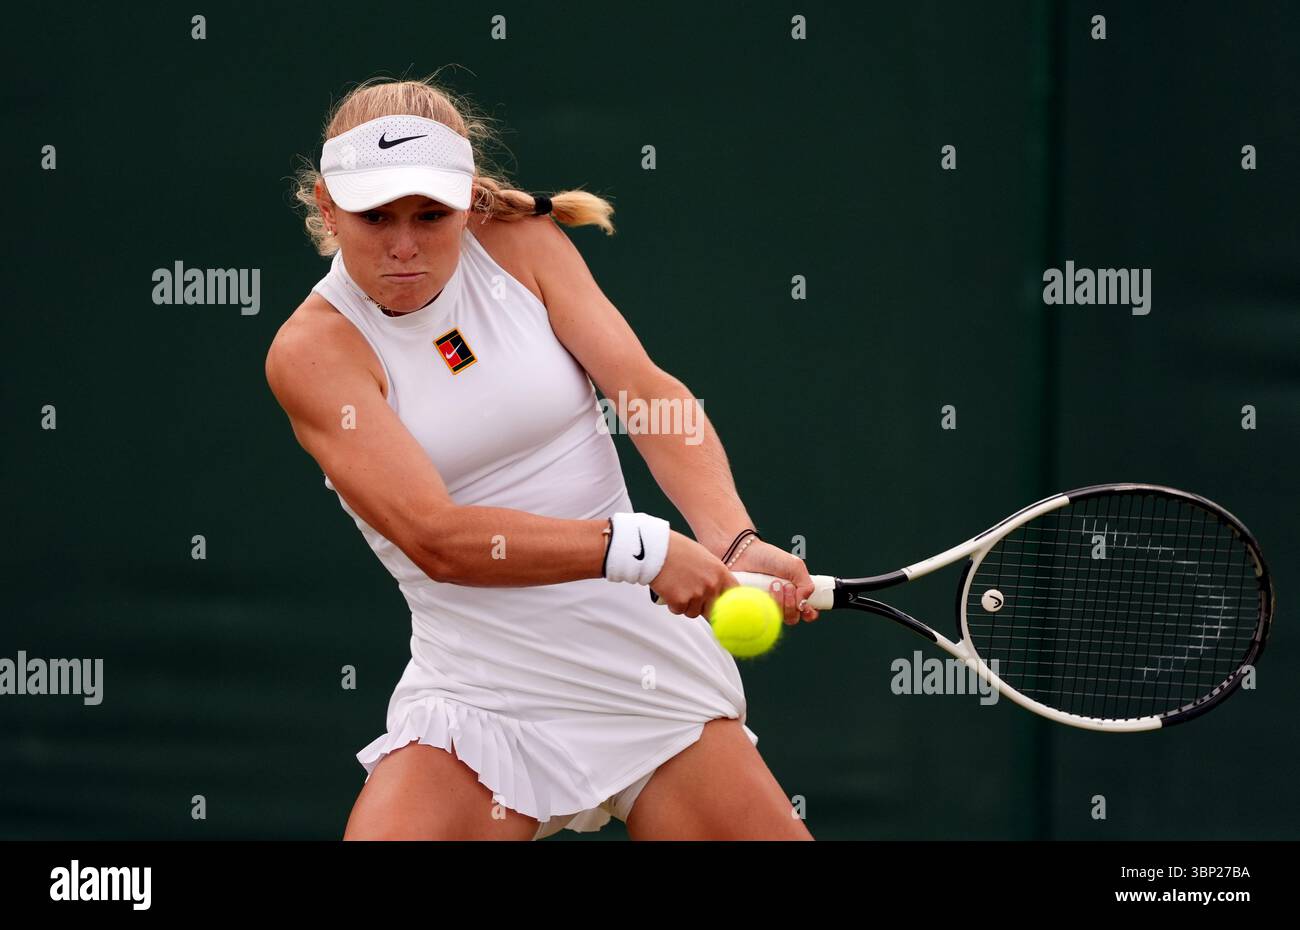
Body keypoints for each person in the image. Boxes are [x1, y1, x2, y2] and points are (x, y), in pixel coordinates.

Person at [266, 75, 818, 840]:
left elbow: (647, 393)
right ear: (328, 208)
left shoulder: (520, 247)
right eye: (374, 216)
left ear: (466, 201)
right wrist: (643, 549)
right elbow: (437, 537)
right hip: (477, 696)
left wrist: (735, 539)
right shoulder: (312, 353)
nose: (403, 244)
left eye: (431, 215)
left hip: (639, 670)